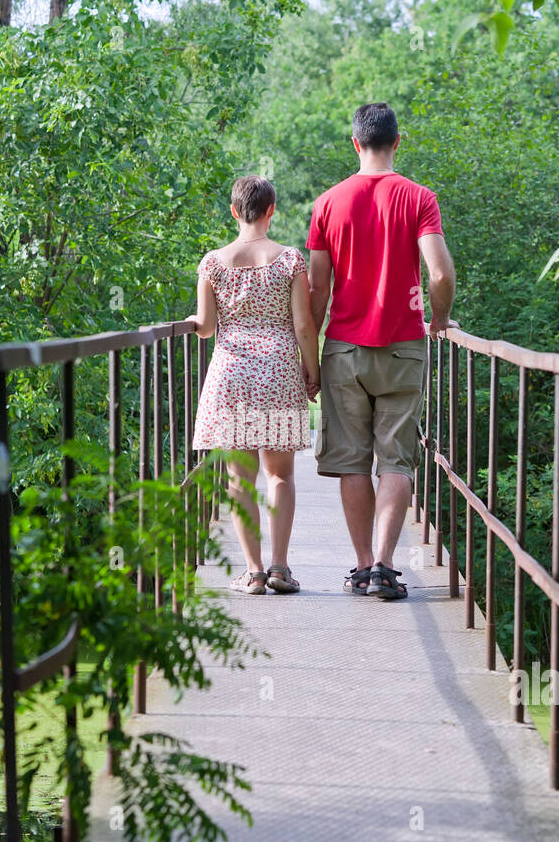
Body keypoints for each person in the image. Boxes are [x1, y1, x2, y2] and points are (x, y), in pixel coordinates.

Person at [307, 103, 456, 600]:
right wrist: (436, 320)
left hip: (344, 350)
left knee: (352, 462)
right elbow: (439, 273)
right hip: (404, 348)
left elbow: (317, 289)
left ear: (355, 143)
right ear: (398, 141)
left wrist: (310, 357)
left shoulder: (328, 203)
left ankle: (362, 565)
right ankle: (386, 570)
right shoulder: (420, 198)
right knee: (396, 460)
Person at [189, 175, 320, 595]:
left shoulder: (212, 262)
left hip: (232, 376)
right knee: (279, 476)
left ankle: (254, 572)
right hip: (279, 370)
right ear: (271, 211)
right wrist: (312, 370)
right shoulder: (290, 261)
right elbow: (303, 324)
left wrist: (192, 322)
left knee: (238, 479)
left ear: (233, 211)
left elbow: (206, 328)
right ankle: (281, 568)